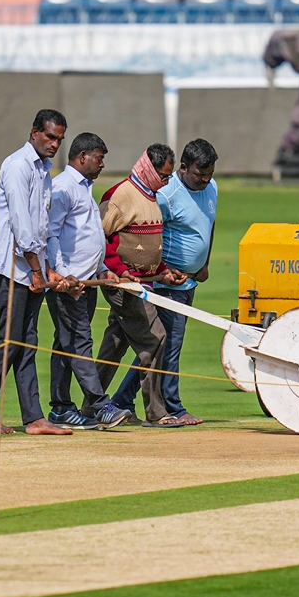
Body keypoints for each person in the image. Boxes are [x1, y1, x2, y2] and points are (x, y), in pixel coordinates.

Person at [0, 109, 74, 437]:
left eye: (59, 138)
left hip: (32, 269)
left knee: (27, 343)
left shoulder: (43, 170)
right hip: (12, 269)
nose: (55, 144)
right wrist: (36, 271)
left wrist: (45, 270)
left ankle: (34, 418)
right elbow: (21, 226)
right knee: (9, 343)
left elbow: (41, 228)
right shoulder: (18, 166)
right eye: (50, 137)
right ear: (34, 132)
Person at [111, 139, 219, 425]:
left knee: (156, 346)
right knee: (167, 345)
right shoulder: (167, 194)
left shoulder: (211, 187)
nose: (205, 180)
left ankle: (121, 399)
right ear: (183, 168)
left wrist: (205, 262)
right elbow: (148, 234)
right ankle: (171, 406)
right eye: (199, 174)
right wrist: (164, 269)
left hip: (190, 282)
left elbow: (210, 223)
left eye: (209, 174)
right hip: (166, 283)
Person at [93, 144, 188, 428]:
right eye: (164, 175)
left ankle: (91, 402)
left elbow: (146, 245)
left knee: (116, 343)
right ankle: (156, 412)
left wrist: (163, 272)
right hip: (122, 284)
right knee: (155, 337)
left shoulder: (151, 195)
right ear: (149, 169)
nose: (167, 182)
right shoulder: (120, 195)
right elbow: (99, 238)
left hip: (143, 283)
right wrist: (118, 272)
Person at [44, 132, 130, 430]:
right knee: (79, 341)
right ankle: (98, 403)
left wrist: (102, 269)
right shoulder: (64, 188)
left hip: (86, 282)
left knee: (66, 343)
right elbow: (50, 234)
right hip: (68, 284)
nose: (102, 164)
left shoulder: (84, 189)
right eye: (99, 158)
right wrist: (61, 273)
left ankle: (60, 408)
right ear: (82, 157)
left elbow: (87, 238)